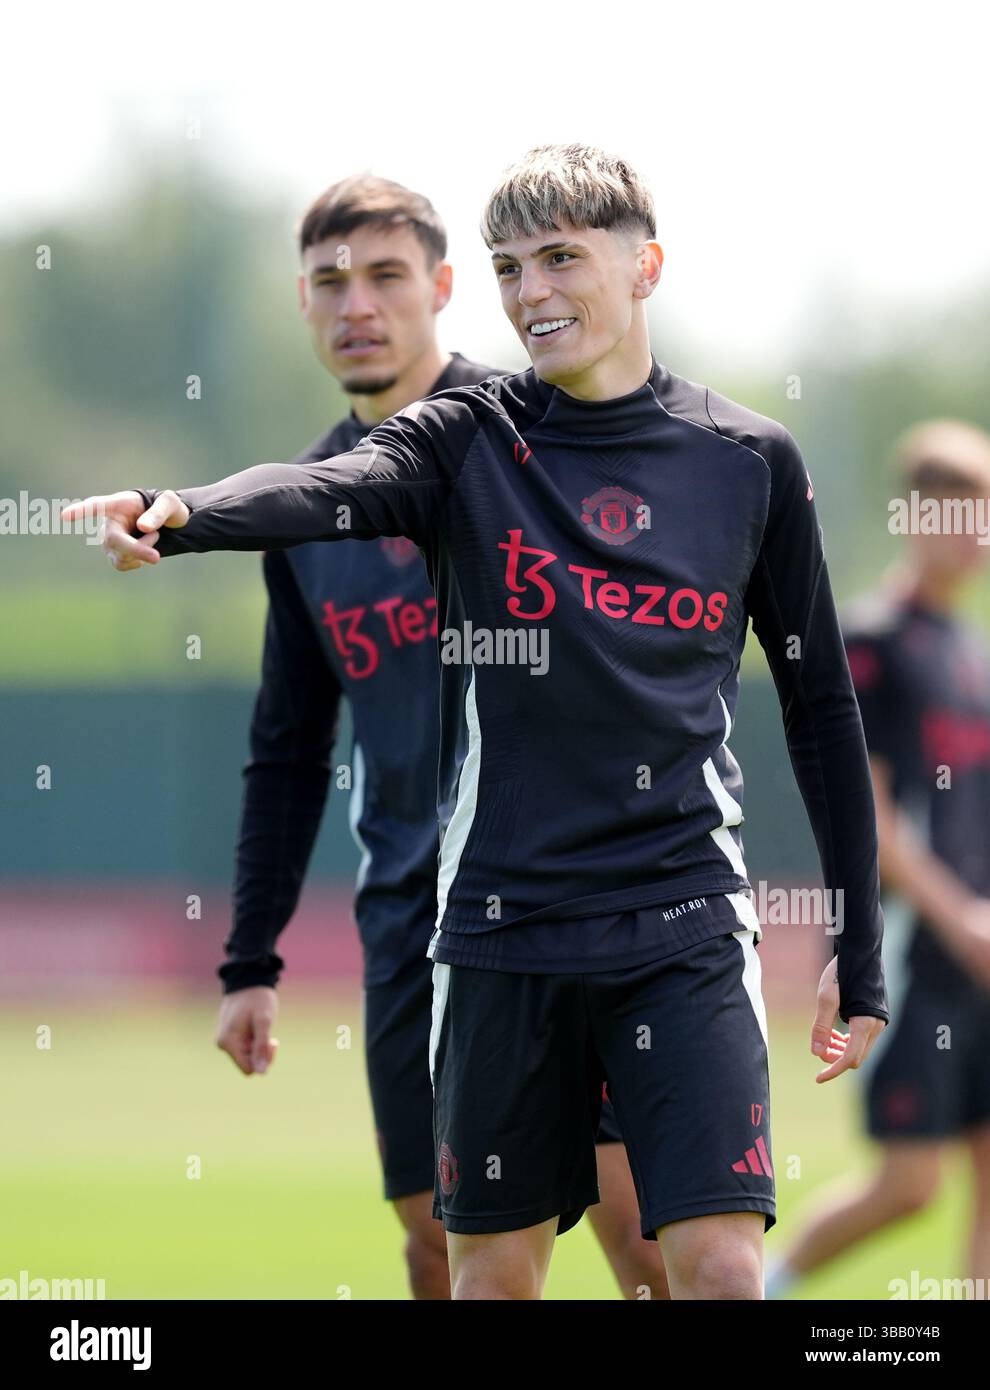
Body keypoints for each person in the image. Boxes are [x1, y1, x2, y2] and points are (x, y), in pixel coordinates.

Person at [64, 143, 888, 1300]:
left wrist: (858, 943)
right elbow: (323, 492)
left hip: (683, 921)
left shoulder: (749, 458)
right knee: (484, 1278)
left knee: (709, 1267)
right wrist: (183, 511)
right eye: (512, 266)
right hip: (498, 932)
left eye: (561, 259)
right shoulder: (469, 438)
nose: (533, 291)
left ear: (643, 265)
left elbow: (822, 708)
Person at [766, 421, 990, 1299]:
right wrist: (960, 920)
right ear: (919, 516)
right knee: (910, 1185)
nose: (975, 534)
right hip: (915, 950)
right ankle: (770, 1285)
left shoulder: (969, 653)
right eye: (960, 513)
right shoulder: (872, 639)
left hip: (978, 955)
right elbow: (873, 821)